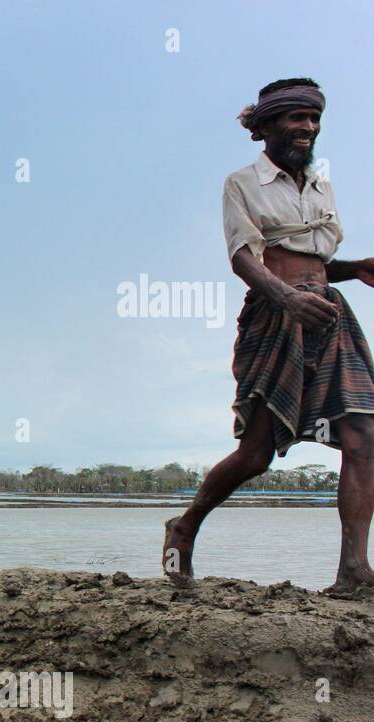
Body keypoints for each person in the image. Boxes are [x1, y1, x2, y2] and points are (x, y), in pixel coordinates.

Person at [164, 78, 374, 592]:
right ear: (266, 127)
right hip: (275, 316)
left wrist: (356, 268)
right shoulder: (243, 183)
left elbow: (315, 262)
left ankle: (353, 570)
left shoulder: (321, 185)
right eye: (295, 118)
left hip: (327, 314)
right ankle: (184, 526)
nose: (307, 128)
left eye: (314, 119)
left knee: (365, 435)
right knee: (256, 454)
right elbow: (243, 256)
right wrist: (287, 299)